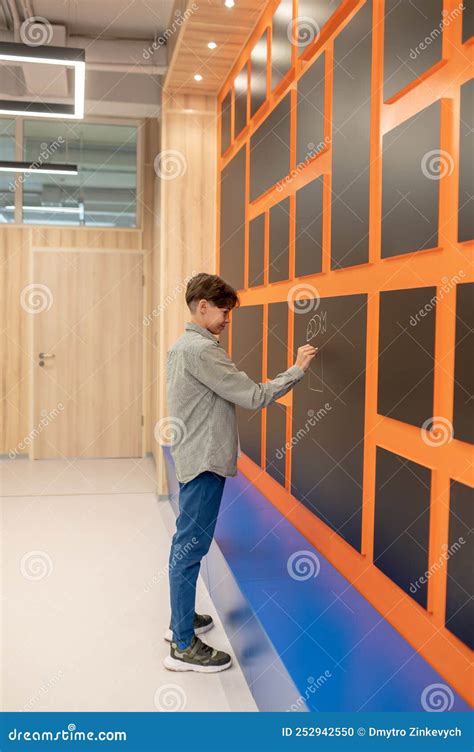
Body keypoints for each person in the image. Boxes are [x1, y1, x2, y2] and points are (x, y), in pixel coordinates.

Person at [163, 273, 317, 672]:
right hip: (204, 462)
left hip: (192, 456)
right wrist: (296, 371)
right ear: (202, 307)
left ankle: (181, 621)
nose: (228, 319)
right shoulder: (202, 351)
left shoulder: (183, 346)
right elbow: (253, 396)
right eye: (224, 311)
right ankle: (182, 645)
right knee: (189, 549)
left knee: (186, 546)